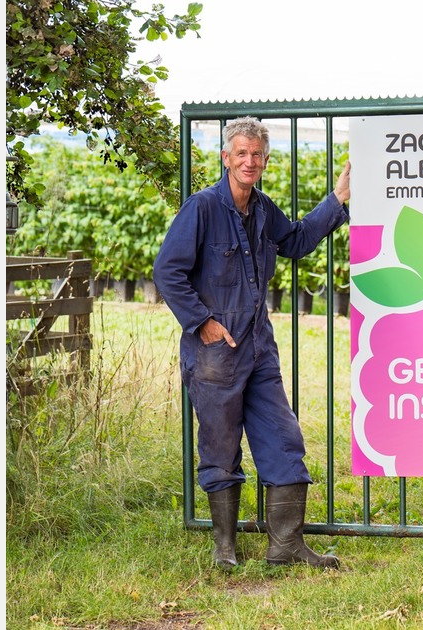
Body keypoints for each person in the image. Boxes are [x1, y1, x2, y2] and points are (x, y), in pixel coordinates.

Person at [153, 116, 350, 570]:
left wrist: (338, 198)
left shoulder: (262, 209)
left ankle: (286, 546)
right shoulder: (201, 208)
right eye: (240, 153)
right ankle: (225, 549)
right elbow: (168, 271)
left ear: (264, 160)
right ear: (226, 158)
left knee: (284, 438)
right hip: (216, 352)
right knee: (220, 446)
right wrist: (202, 323)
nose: (249, 161)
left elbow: (296, 241)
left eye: (256, 154)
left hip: (259, 347)